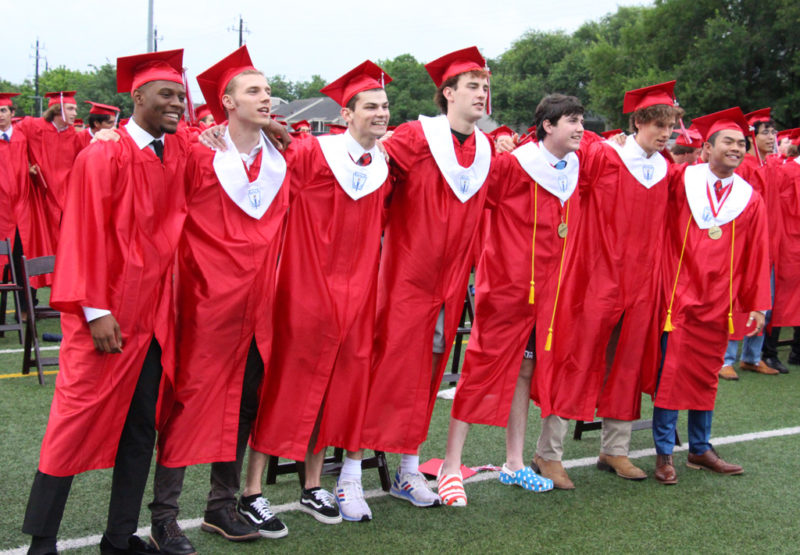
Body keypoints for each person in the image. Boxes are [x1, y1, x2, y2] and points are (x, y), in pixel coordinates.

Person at [20, 48, 191, 555]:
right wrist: (95, 311)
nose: (176, 103)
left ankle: (119, 537)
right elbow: (81, 231)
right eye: (166, 94)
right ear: (136, 96)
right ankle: (42, 543)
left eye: (181, 95)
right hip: (106, 314)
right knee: (72, 425)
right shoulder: (103, 154)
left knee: (140, 429)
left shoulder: (175, 152)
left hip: (153, 319)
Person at [148, 45, 291, 554]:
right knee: (188, 405)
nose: (266, 98)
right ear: (227, 102)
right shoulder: (197, 152)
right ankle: (164, 517)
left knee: (244, 404)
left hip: (258, 307)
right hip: (204, 302)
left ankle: (220, 506)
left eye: (268, 90)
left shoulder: (281, 158)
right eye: (254, 91)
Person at [246, 60, 393, 524]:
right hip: (305, 290)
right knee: (284, 386)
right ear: (346, 114)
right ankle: (251, 491)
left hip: (357, 296)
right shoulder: (313, 153)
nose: (381, 113)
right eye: (370, 106)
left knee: (332, 389)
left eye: (385, 106)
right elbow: (258, 162)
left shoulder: (383, 165)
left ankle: (312, 485)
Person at [437, 94, 591, 505]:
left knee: (525, 372)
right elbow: (469, 191)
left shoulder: (574, 167)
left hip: (549, 295)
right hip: (507, 289)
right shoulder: (512, 166)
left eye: (581, 121)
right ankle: (451, 467)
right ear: (548, 126)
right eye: (572, 121)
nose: (581, 129)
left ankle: (514, 462)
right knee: (479, 371)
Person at [360, 46, 495, 508]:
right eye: (472, 86)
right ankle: (350, 476)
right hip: (403, 278)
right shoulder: (417, 137)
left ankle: (408, 469)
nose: (482, 94)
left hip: (450, 287)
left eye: (485, 87)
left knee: (426, 377)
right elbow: (367, 167)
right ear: (448, 93)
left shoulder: (484, 150)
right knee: (384, 371)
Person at [532, 81, 682, 489]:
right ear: (638, 122)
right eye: (659, 125)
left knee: (627, 364)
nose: (666, 134)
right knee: (575, 360)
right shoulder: (603, 155)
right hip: (595, 278)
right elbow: (558, 163)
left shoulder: (666, 169)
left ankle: (615, 449)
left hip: (642, 283)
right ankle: (548, 454)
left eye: (670, 127)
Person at [651, 107, 770, 484]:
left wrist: (757, 304)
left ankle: (700, 449)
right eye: (728, 142)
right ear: (707, 148)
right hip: (677, 297)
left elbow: (756, 253)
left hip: (720, 301)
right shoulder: (681, 180)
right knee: (671, 375)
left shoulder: (749, 198)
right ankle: (664, 453)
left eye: (741, 144)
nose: (736, 149)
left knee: (706, 375)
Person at [15, 90, 82, 252]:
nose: (75, 113)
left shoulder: (75, 136)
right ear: (57, 109)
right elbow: (13, 145)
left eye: (75, 109)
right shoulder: (31, 126)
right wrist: (26, 165)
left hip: (64, 198)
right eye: (70, 109)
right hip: (39, 196)